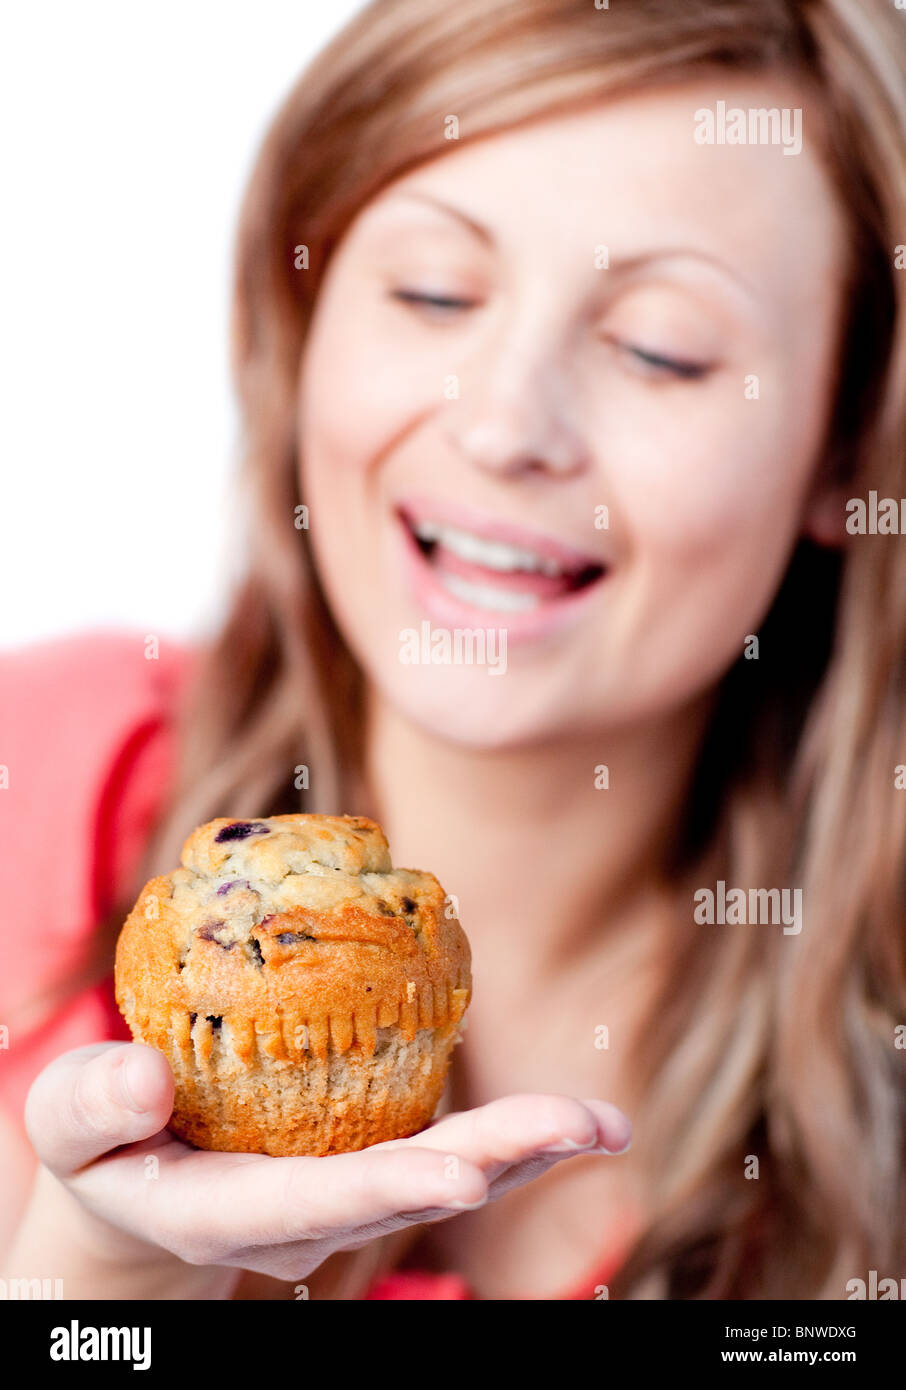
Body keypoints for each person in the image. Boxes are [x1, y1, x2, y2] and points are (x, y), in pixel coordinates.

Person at [2, 0, 905, 1300]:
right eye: (434, 292)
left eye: (659, 349)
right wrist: (101, 1287)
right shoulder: (30, 777)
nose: (502, 423)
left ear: (844, 449)